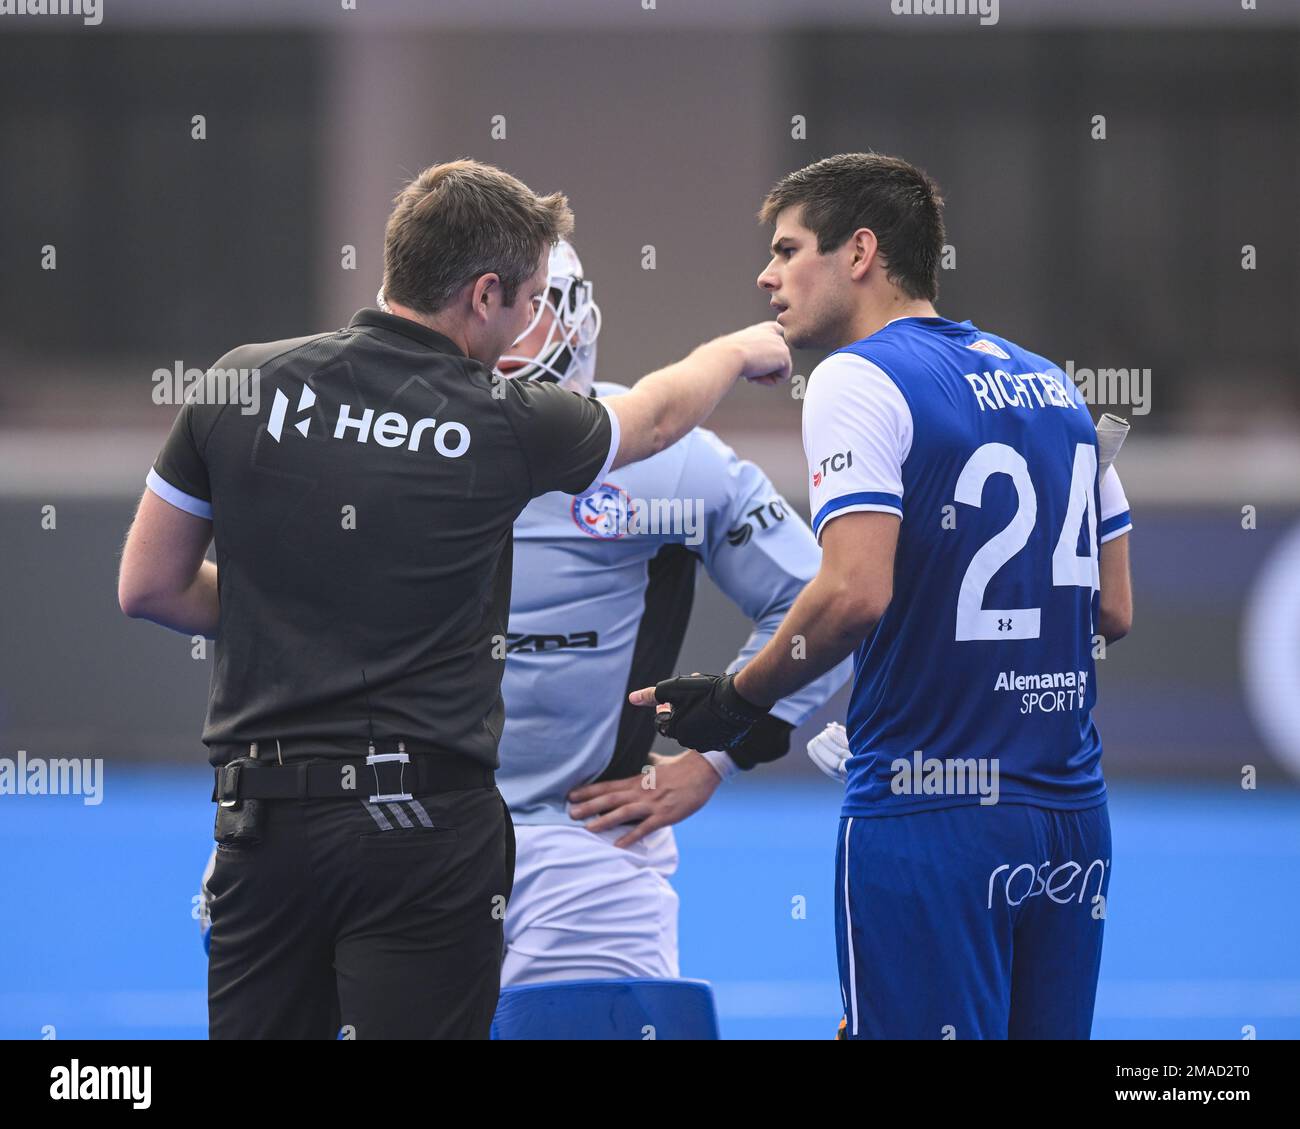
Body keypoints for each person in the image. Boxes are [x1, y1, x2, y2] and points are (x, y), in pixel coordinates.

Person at [118, 158, 790, 1040]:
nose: (525, 323)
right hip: (429, 822)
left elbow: (148, 585)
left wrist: (287, 615)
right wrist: (735, 349)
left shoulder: (243, 379)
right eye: (524, 297)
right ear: (483, 295)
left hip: (270, 818)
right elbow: (659, 420)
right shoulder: (501, 419)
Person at [634, 152, 1134, 1039]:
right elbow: (1113, 610)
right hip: (1071, 820)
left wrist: (736, 701)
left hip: (928, 817)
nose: (767, 273)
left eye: (788, 249)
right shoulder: (1057, 387)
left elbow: (855, 592)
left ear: (859, 252)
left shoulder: (857, 378)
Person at [482, 239, 851, 989]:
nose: (514, 335)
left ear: (577, 321)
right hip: (412, 837)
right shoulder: (410, 445)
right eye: (494, 309)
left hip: (587, 843)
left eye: (535, 310)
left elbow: (826, 599)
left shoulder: (674, 462)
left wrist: (718, 751)